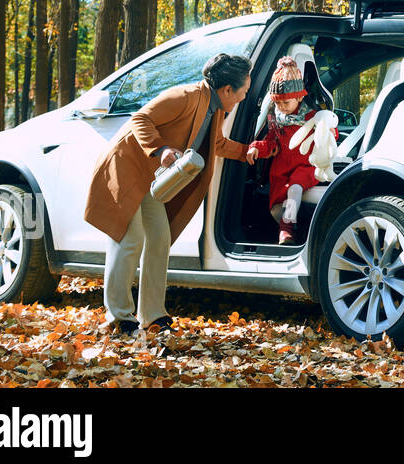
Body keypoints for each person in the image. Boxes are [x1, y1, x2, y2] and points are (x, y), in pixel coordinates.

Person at [84, 53, 256, 337]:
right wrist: (161, 149)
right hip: (128, 166)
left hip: (149, 176)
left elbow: (217, 144)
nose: (243, 97)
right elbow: (141, 118)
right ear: (227, 90)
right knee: (130, 239)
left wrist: (245, 152)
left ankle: (151, 315)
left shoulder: (214, 109)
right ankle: (118, 317)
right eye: (243, 92)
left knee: (160, 237)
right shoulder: (185, 96)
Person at [246, 56, 339, 244]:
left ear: (299, 96)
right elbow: (271, 143)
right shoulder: (276, 118)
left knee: (295, 189)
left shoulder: (312, 115)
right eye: (278, 103)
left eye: (286, 103)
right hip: (282, 169)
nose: (281, 107)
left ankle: (286, 230)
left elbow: (329, 134)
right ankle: (294, 231)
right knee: (275, 209)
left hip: (307, 164)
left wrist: (329, 130)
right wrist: (256, 148)